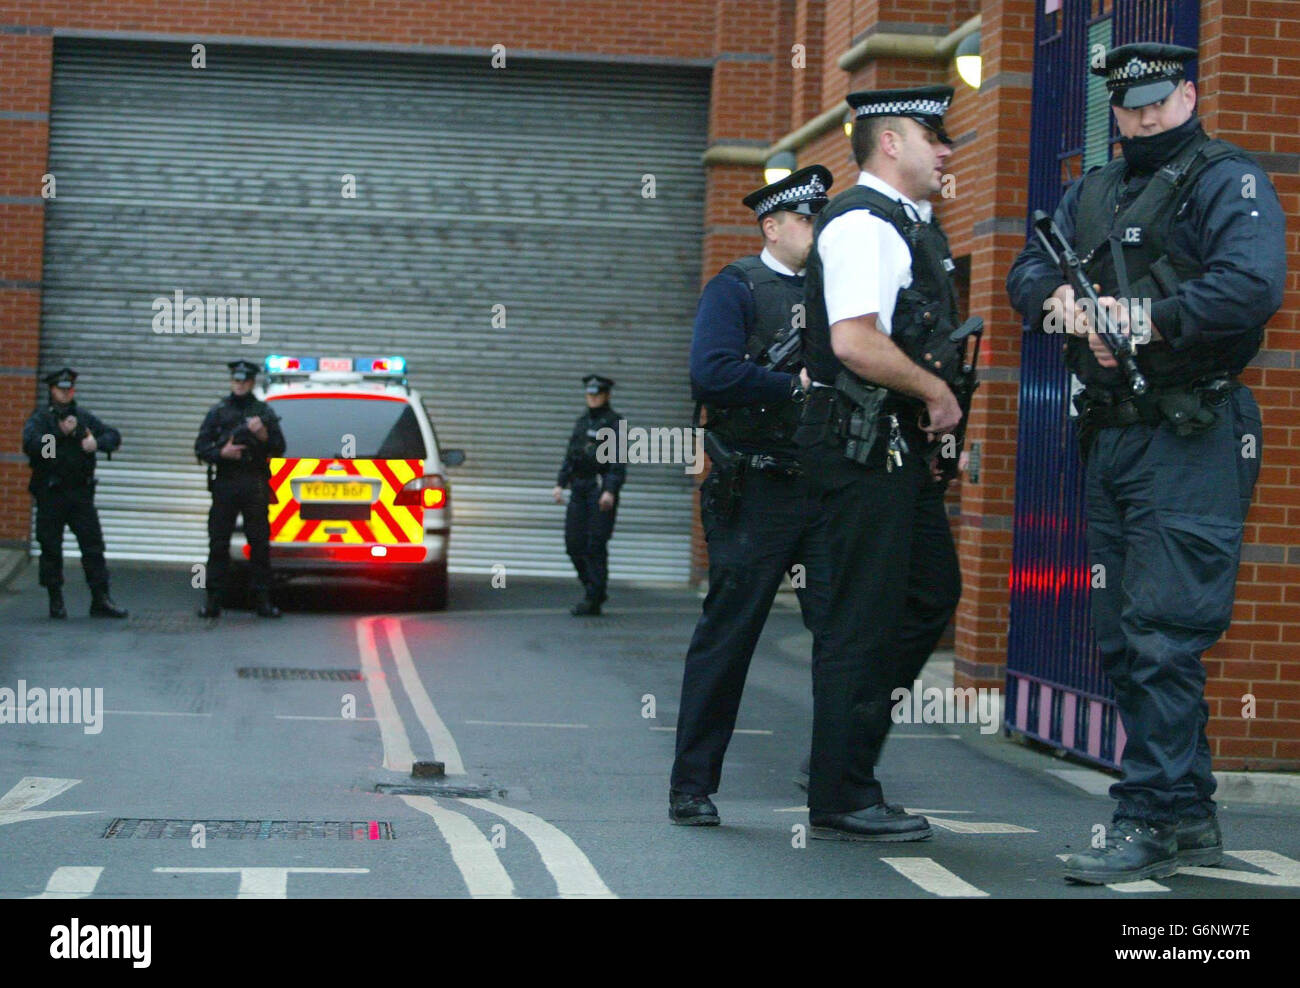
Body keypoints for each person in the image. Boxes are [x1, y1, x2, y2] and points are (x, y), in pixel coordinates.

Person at [1007, 43, 1286, 884]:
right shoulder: (1091, 190)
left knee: (1163, 634)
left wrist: (1144, 319)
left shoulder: (1225, 180)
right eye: (1129, 105)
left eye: (1158, 102)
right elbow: (1027, 270)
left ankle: (1146, 816)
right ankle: (1188, 814)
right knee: (1124, 639)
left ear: (1188, 95)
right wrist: (1059, 304)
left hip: (1192, 431)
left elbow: (1252, 286)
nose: (1144, 117)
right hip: (1117, 435)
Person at [795, 86, 967, 841]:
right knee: (865, 618)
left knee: (930, 592)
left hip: (891, 450)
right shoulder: (866, 224)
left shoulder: (907, 226)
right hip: (862, 448)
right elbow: (854, 341)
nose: (947, 150)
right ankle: (840, 792)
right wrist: (935, 391)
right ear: (890, 141)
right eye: (933, 136)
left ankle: (842, 756)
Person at [668, 166, 834, 826]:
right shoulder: (735, 287)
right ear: (774, 226)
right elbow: (710, 372)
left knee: (845, 637)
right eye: (808, 220)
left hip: (825, 488)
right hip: (755, 490)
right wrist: (790, 386)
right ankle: (691, 785)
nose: (818, 230)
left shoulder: (835, 290)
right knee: (728, 637)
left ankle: (834, 777)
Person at [21, 367, 128, 619]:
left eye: (70, 389)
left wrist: (96, 443)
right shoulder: (40, 419)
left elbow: (113, 436)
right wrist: (60, 433)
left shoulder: (82, 416)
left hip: (80, 494)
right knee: (51, 547)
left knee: (93, 546)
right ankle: (55, 600)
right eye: (61, 389)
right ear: (52, 390)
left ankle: (101, 599)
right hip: (51, 494)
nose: (66, 393)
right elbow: (34, 448)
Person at [194, 359, 286, 619]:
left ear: (252, 382)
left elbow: (279, 448)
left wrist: (263, 435)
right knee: (218, 542)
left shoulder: (263, 412)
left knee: (258, 543)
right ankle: (213, 601)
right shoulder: (218, 412)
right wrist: (222, 453)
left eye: (244, 380)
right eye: (236, 380)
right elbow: (201, 448)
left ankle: (263, 601)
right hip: (226, 483)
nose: (240, 384)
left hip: (254, 482)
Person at [553, 375, 626, 616]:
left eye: (597, 394)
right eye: (589, 394)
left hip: (599, 489)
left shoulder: (615, 423)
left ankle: (593, 598)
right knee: (573, 544)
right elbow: (570, 455)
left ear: (606, 395)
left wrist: (610, 490)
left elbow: (618, 462)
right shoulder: (581, 422)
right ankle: (593, 588)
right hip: (580, 488)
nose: (592, 398)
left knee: (595, 544)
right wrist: (560, 483)